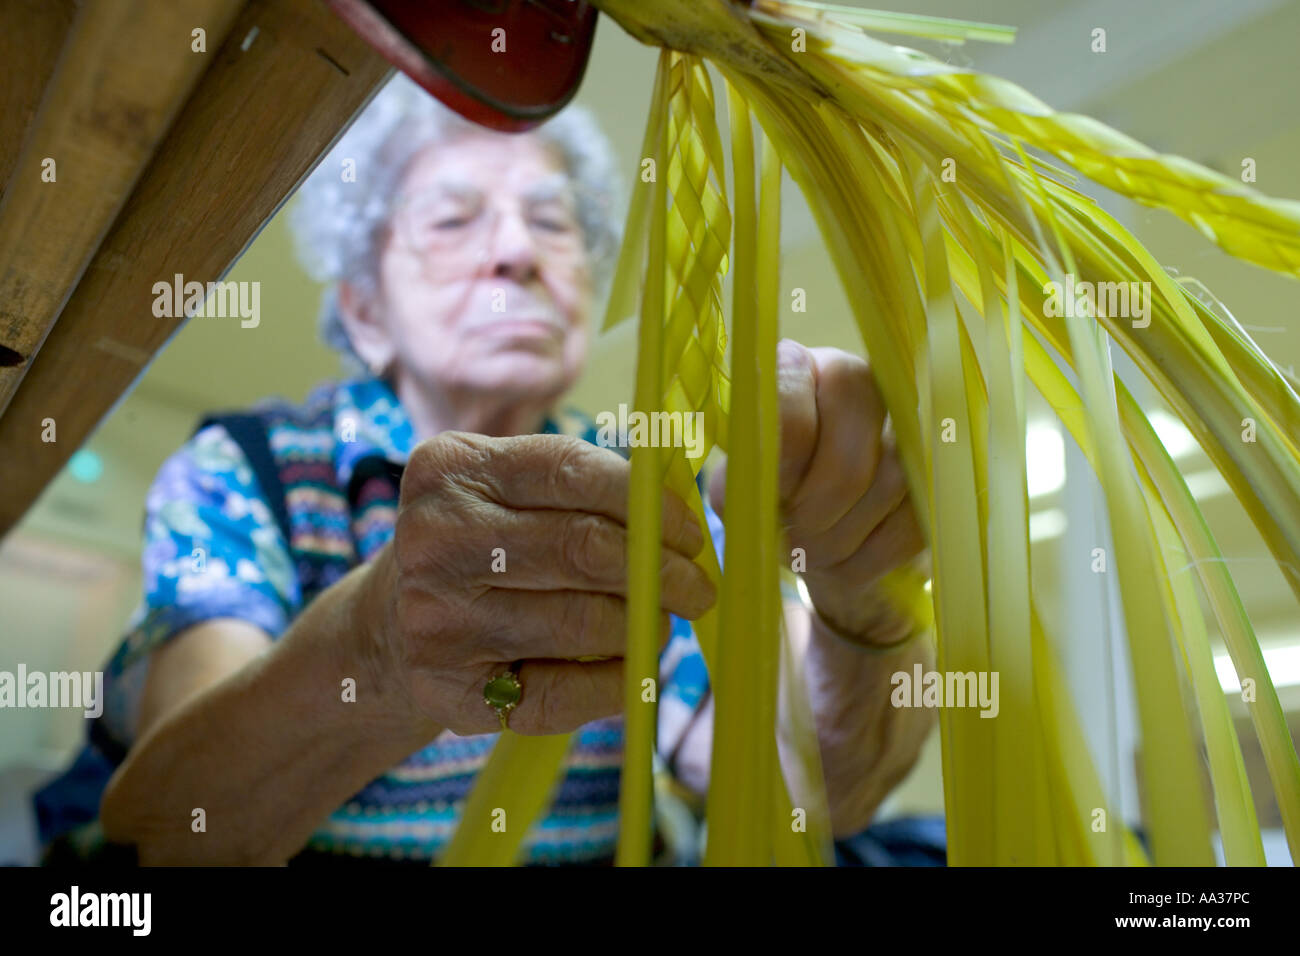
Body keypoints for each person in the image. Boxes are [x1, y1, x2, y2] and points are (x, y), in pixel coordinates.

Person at [35, 73, 936, 865]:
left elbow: (811, 796)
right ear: (365, 311)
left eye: (554, 221)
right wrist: (376, 649)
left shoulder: (654, 481)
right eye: (454, 218)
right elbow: (176, 828)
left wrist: (863, 600)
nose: (519, 251)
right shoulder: (248, 470)